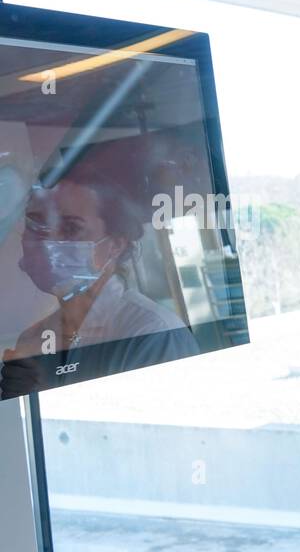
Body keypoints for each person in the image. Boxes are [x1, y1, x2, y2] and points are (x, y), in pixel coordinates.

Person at [1, 166, 199, 398]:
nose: (47, 243)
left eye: (71, 228)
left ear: (115, 245)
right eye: (37, 224)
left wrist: (44, 396)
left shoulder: (153, 334)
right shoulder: (33, 338)